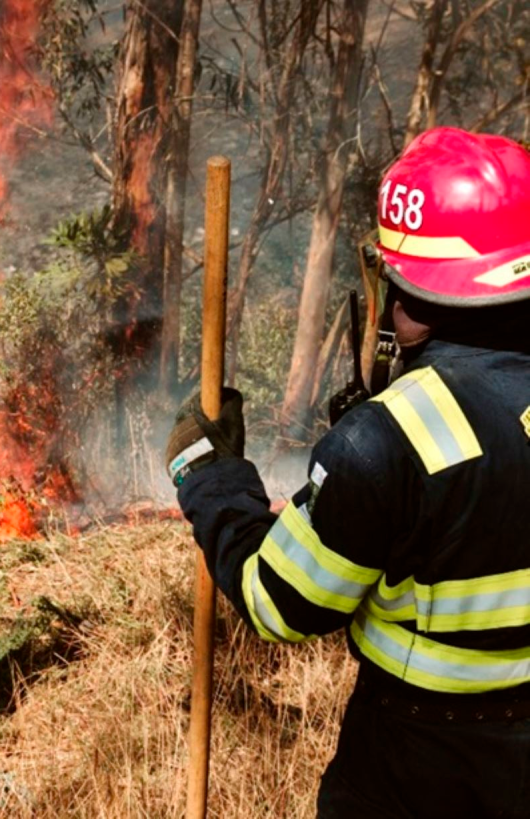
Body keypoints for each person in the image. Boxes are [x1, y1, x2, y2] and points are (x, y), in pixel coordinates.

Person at [166, 127, 530, 817]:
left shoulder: (385, 440)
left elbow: (280, 600)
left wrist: (208, 474)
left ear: (406, 297)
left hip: (416, 762)